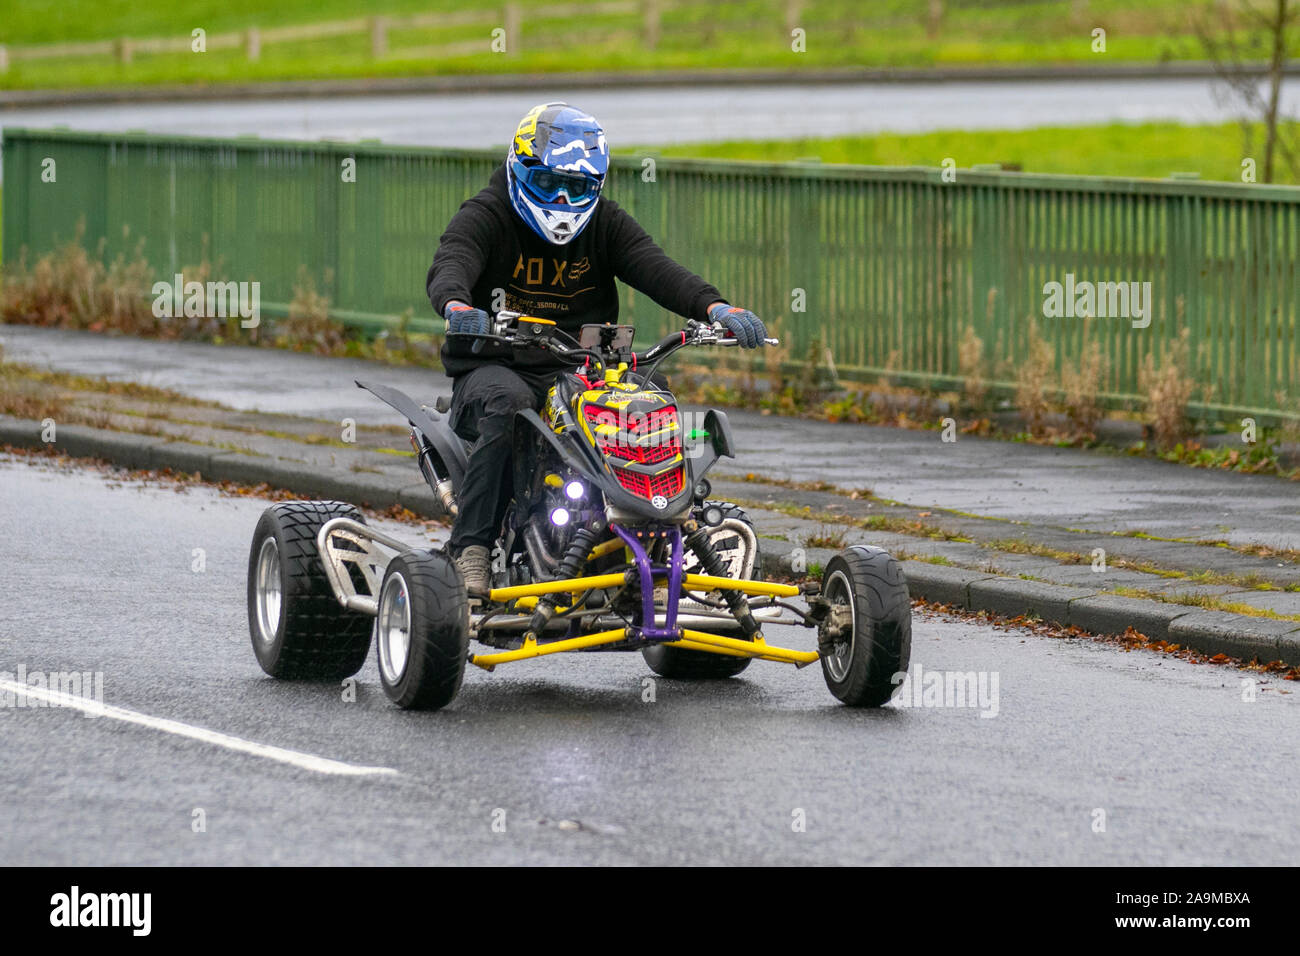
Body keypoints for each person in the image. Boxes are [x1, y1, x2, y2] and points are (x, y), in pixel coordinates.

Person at [426, 102, 767, 594]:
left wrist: (717, 309)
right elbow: (453, 259)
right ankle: (472, 547)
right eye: (549, 184)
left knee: (652, 398)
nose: (564, 198)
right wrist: (457, 307)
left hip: (584, 367)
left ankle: (659, 534)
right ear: (521, 168)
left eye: (580, 187)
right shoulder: (489, 212)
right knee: (509, 404)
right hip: (498, 363)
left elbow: (656, 268)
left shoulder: (605, 223)